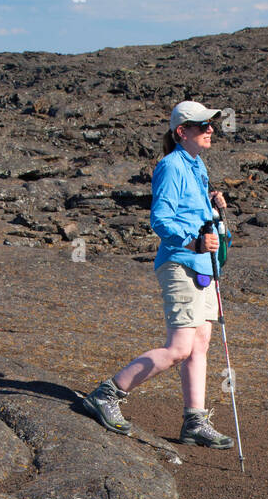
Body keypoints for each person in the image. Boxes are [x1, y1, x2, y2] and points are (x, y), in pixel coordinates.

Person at [83, 100, 234, 447]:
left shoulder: (197, 167)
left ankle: (194, 422)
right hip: (181, 263)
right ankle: (108, 393)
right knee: (180, 347)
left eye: (211, 124)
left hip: (202, 267)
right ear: (182, 132)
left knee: (200, 344)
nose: (210, 129)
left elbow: (190, 214)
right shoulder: (170, 166)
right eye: (201, 125)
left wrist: (214, 208)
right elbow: (160, 219)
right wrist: (194, 242)